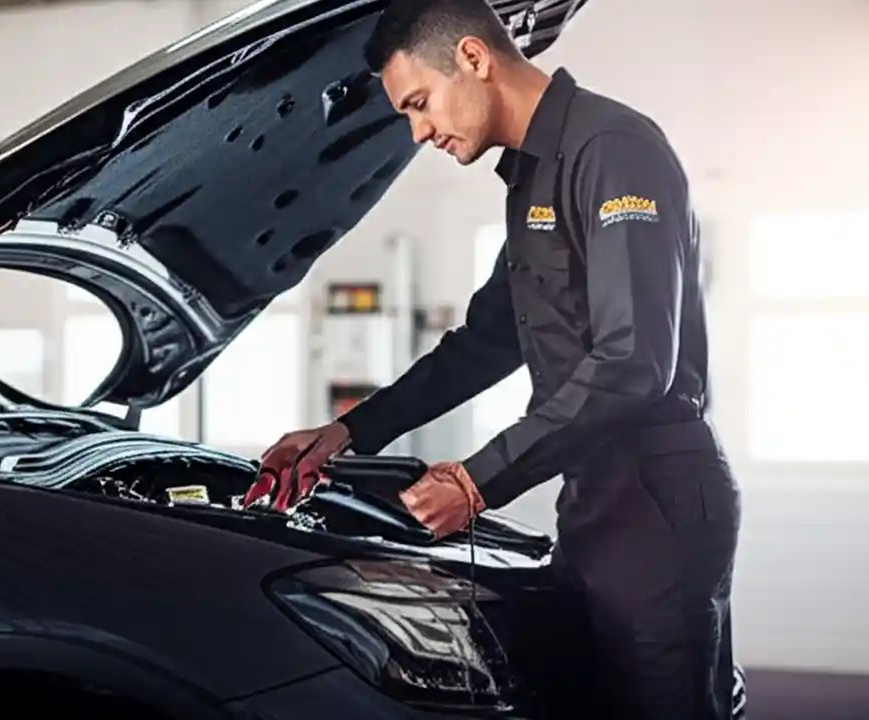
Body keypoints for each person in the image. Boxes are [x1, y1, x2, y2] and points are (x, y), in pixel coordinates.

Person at [244, 0, 741, 717]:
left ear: (473, 59)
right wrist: (349, 432)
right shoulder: (532, 178)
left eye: (419, 104)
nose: (418, 132)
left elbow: (634, 362)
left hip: (657, 502)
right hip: (596, 496)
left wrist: (478, 482)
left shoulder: (613, 148)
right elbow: (483, 343)